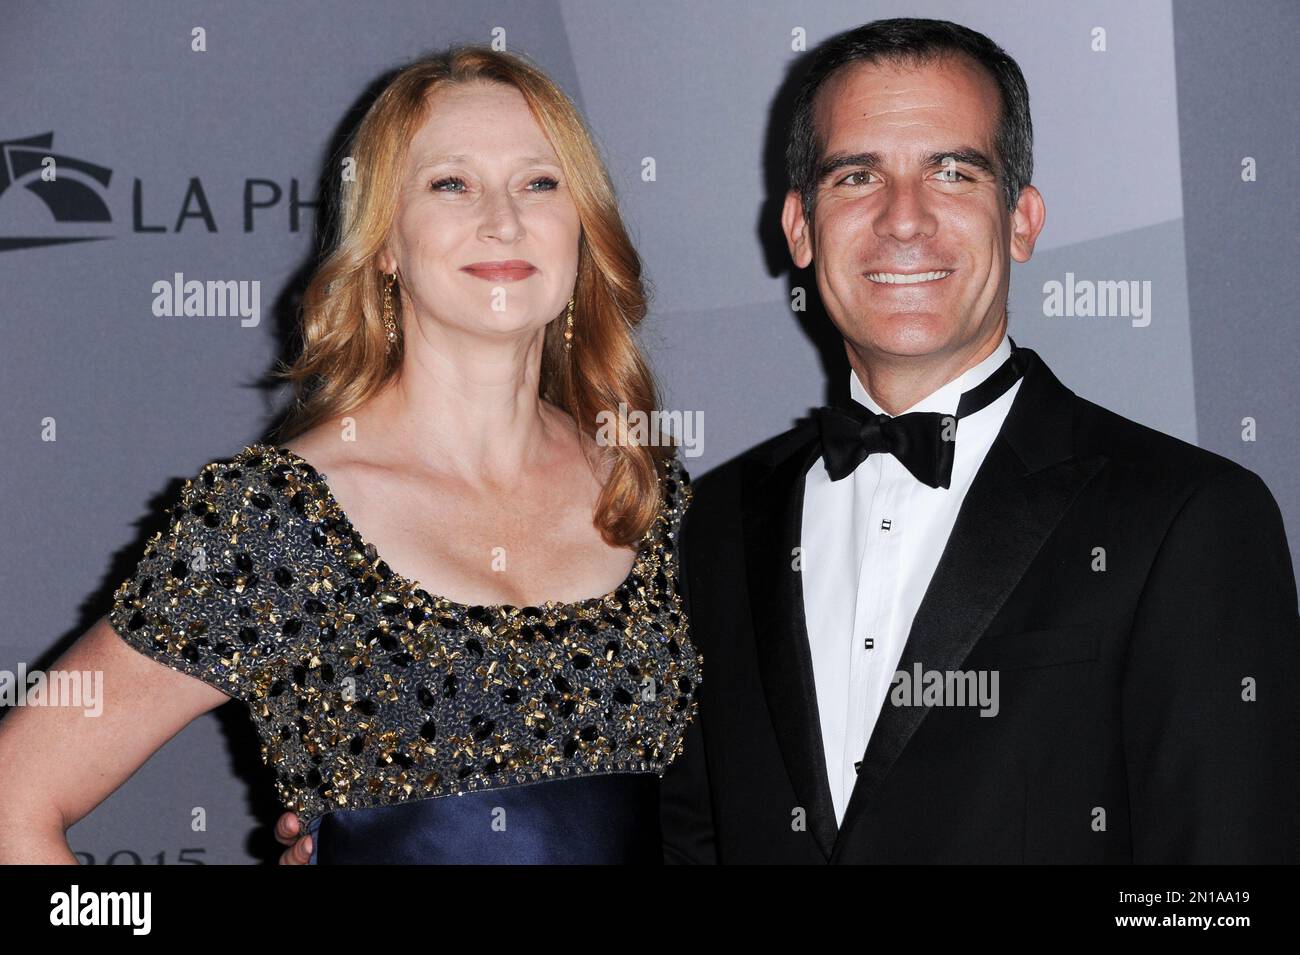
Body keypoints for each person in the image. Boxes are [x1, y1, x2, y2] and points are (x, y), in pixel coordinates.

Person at [0, 45, 701, 864]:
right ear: (385, 243)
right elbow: (15, 802)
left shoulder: (647, 491)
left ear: (583, 224)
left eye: (540, 182)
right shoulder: (275, 518)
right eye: (451, 184)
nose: (503, 218)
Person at [657, 18, 1300, 863]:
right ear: (801, 229)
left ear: (1023, 220)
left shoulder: (1191, 517)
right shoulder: (715, 523)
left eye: (953, 171)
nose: (904, 219)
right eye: (857, 176)